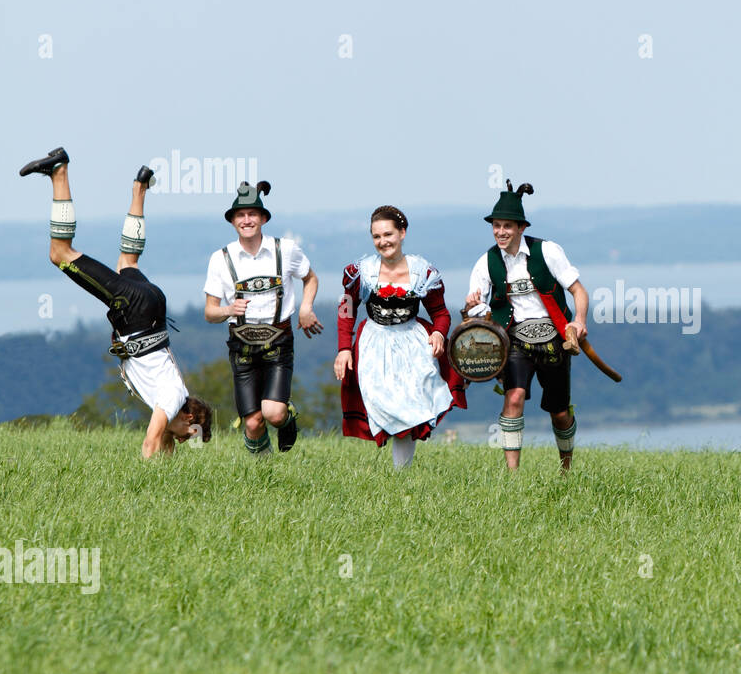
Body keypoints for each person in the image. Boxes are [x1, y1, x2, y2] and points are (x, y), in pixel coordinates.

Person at [20, 147, 211, 458]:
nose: (183, 441)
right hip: (136, 312)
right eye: (190, 436)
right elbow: (151, 444)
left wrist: (170, 471)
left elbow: (162, 439)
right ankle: (59, 172)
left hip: (152, 308)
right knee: (60, 254)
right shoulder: (174, 398)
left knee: (127, 260)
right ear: (190, 418)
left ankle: (140, 189)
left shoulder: (175, 398)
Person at [464, 180, 588, 470]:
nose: (500, 232)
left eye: (507, 226)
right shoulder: (486, 262)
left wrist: (579, 321)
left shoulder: (548, 251)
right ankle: (512, 477)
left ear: (521, 228)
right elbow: (479, 312)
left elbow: (578, 291)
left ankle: (566, 469)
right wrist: (472, 307)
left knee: (559, 412)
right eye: (496, 225)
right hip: (515, 340)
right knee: (514, 397)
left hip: (555, 337)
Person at [334, 206, 467, 467]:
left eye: (388, 234)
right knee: (383, 402)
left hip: (412, 343)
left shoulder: (422, 272)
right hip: (374, 342)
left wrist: (439, 332)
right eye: (376, 236)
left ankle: (400, 476)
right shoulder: (361, 272)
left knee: (409, 407)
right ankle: (391, 473)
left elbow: (440, 312)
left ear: (402, 233)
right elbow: (346, 309)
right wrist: (344, 348)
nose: (382, 242)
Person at [203, 180, 322, 455]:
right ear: (232, 221)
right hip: (241, 346)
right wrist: (227, 310)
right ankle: (265, 475)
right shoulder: (220, 259)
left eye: (252, 214)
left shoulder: (285, 250)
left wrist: (306, 308)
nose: (246, 220)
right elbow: (210, 312)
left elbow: (311, 278)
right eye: (240, 216)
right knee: (253, 423)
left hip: (279, 340)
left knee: (273, 413)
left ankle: (287, 418)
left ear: (263, 218)